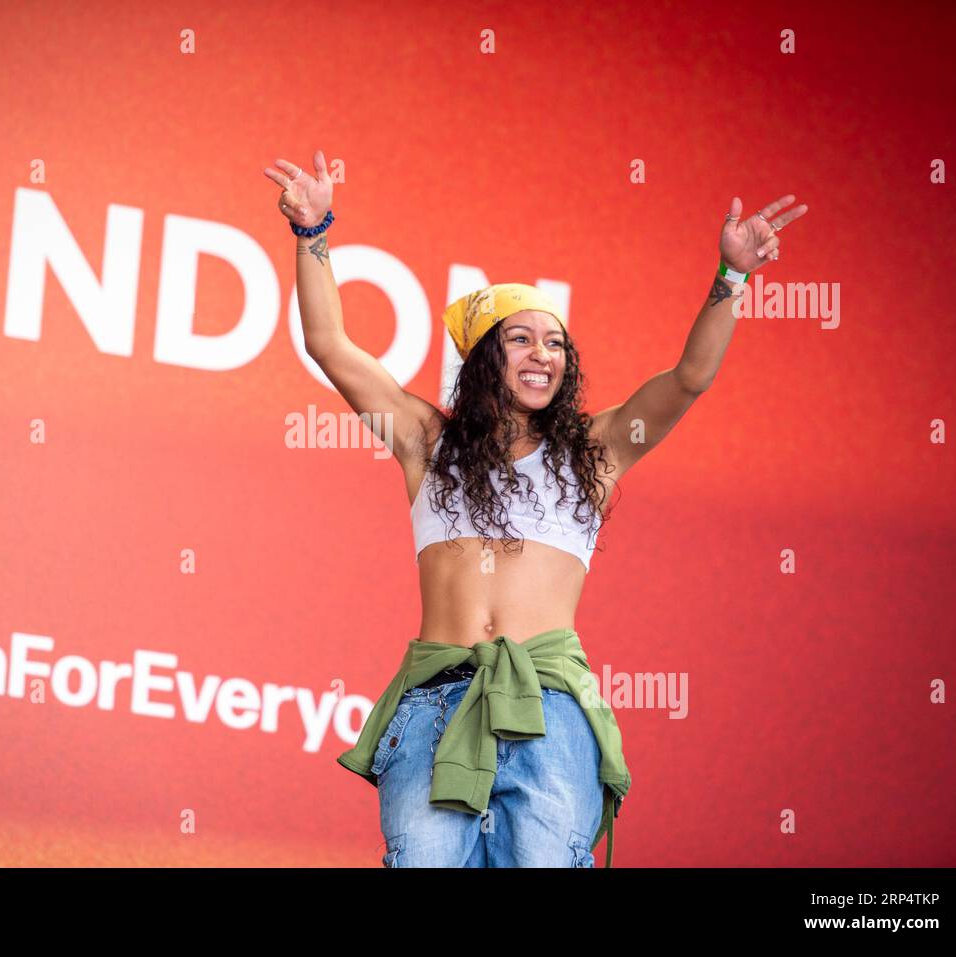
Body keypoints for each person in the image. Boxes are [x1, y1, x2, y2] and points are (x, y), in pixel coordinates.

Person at [263, 149, 807, 867]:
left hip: (550, 710)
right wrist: (313, 233)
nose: (542, 354)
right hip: (435, 703)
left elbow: (690, 378)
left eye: (554, 342)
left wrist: (730, 277)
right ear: (485, 359)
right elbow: (329, 344)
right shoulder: (429, 443)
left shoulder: (596, 452)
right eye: (520, 338)